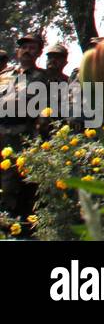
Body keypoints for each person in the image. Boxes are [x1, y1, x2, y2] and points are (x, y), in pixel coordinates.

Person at [0, 36, 48, 231]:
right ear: (18, 52)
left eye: (32, 48)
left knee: (12, 183)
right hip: (1, 132)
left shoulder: (42, 78)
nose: (27, 51)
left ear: (38, 53)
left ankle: (9, 225)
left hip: (22, 135)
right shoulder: (5, 74)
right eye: (24, 47)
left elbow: (44, 113)